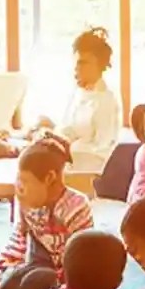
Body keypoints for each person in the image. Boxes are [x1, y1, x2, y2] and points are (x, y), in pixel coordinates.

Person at [0, 133, 94, 289]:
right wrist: (5, 268)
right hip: (37, 262)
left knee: (39, 280)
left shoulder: (76, 206)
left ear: (49, 178)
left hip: (66, 272)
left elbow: (82, 259)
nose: (19, 186)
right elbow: (20, 237)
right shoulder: (28, 203)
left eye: (25, 180)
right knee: (6, 288)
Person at [35, 27, 121, 197]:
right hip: (66, 160)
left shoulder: (106, 101)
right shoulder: (77, 93)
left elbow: (102, 149)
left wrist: (66, 148)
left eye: (83, 63)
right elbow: (70, 129)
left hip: (86, 168)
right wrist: (53, 134)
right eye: (76, 62)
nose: (76, 68)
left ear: (100, 66)